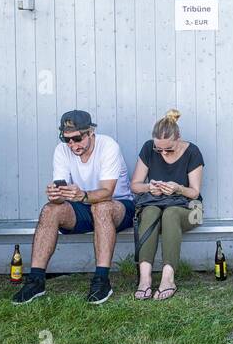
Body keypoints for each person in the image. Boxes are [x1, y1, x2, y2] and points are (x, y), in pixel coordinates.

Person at [12, 111, 135, 305]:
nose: (72, 145)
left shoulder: (108, 145)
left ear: (91, 133)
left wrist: (83, 195)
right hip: (83, 204)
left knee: (101, 208)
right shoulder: (62, 150)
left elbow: (107, 192)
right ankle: (36, 280)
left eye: (77, 138)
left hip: (118, 206)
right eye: (66, 139)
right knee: (49, 210)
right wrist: (56, 196)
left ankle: (102, 280)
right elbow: (63, 194)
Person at [131, 110, 204, 301]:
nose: (163, 153)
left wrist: (179, 188)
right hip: (156, 203)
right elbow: (135, 185)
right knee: (150, 211)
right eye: (159, 149)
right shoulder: (148, 148)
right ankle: (145, 279)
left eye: (168, 149)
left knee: (170, 214)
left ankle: (167, 278)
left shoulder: (192, 152)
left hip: (191, 208)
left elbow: (195, 192)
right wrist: (149, 187)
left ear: (178, 138)